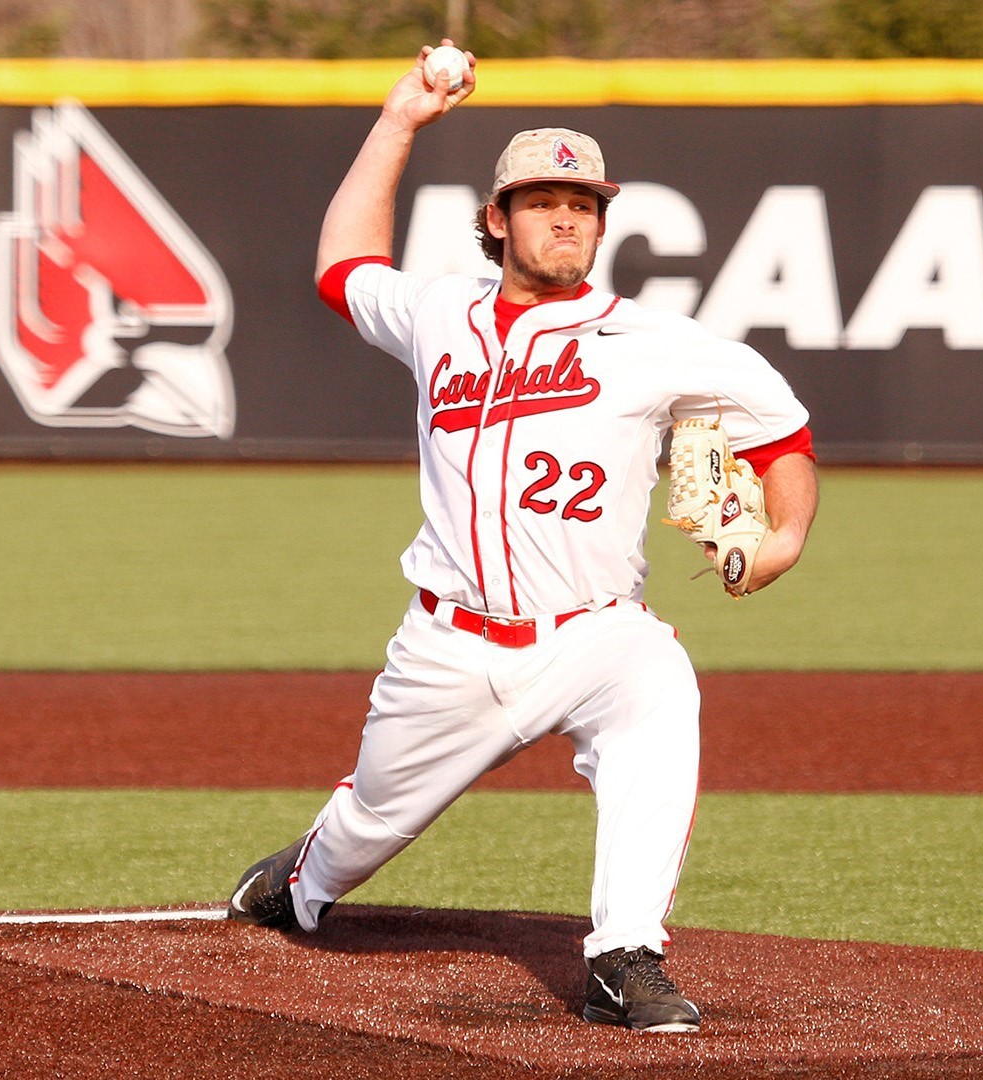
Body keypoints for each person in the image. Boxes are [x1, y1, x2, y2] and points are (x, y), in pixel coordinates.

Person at [224, 42, 820, 1034]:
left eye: (583, 205)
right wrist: (399, 121)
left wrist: (785, 538)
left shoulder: (654, 342)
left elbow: (781, 429)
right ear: (498, 220)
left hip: (593, 632)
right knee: (365, 827)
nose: (566, 219)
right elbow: (341, 269)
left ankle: (626, 956)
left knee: (658, 688)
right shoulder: (437, 316)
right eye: (544, 202)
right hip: (449, 645)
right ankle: (305, 875)